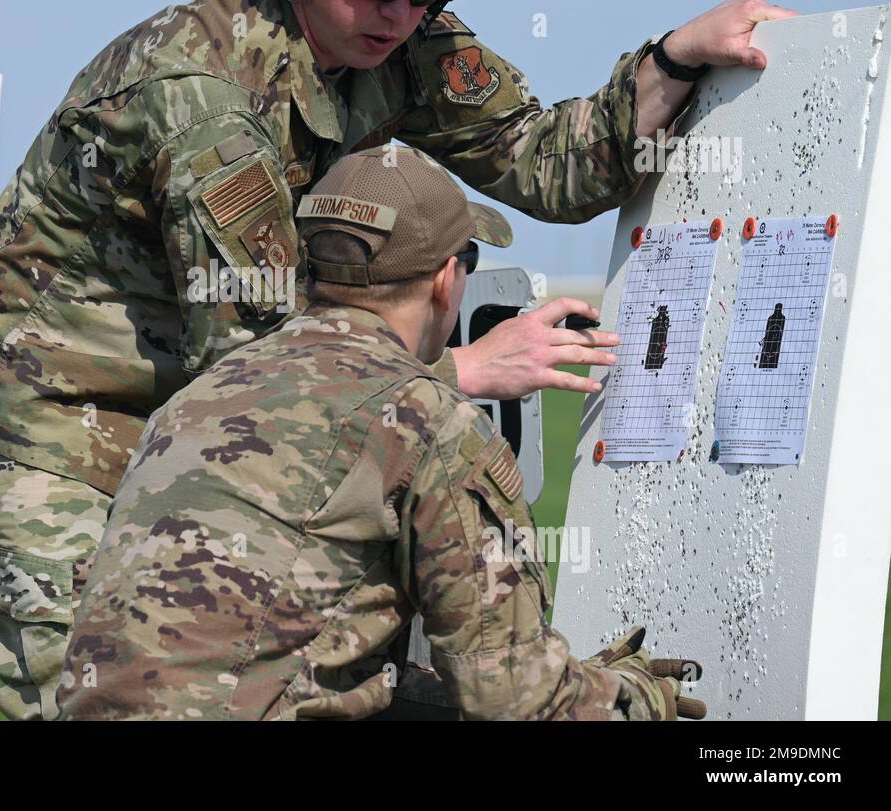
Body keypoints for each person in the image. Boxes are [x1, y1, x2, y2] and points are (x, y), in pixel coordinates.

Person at [0, 0, 791, 718]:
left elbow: (545, 162)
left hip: (219, 396)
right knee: (101, 685)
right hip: (61, 403)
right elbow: (258, 391)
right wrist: (459, 376)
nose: (401, 11)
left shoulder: (403, 39)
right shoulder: (207, 109)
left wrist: (671, 62)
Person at [56, 146, 706, 720]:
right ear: (450, 280)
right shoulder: (431, 423)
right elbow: (514, 702)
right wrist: (628, 696)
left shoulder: (196, 400)